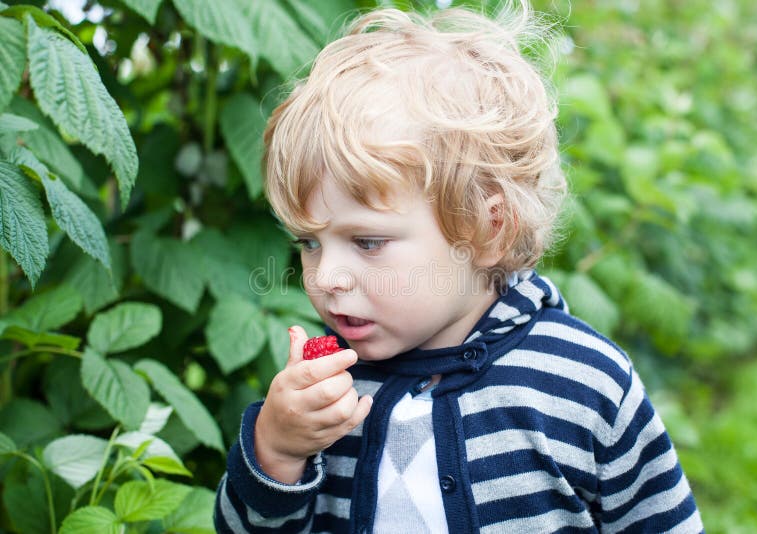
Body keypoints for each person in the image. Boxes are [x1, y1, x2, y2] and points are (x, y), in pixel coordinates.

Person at [214, 3, 703, 532]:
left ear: (486, 231)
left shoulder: (584, 385)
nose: (325, 276)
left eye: (368, 241)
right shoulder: (327, 396)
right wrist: (277, 452)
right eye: (309, 242)